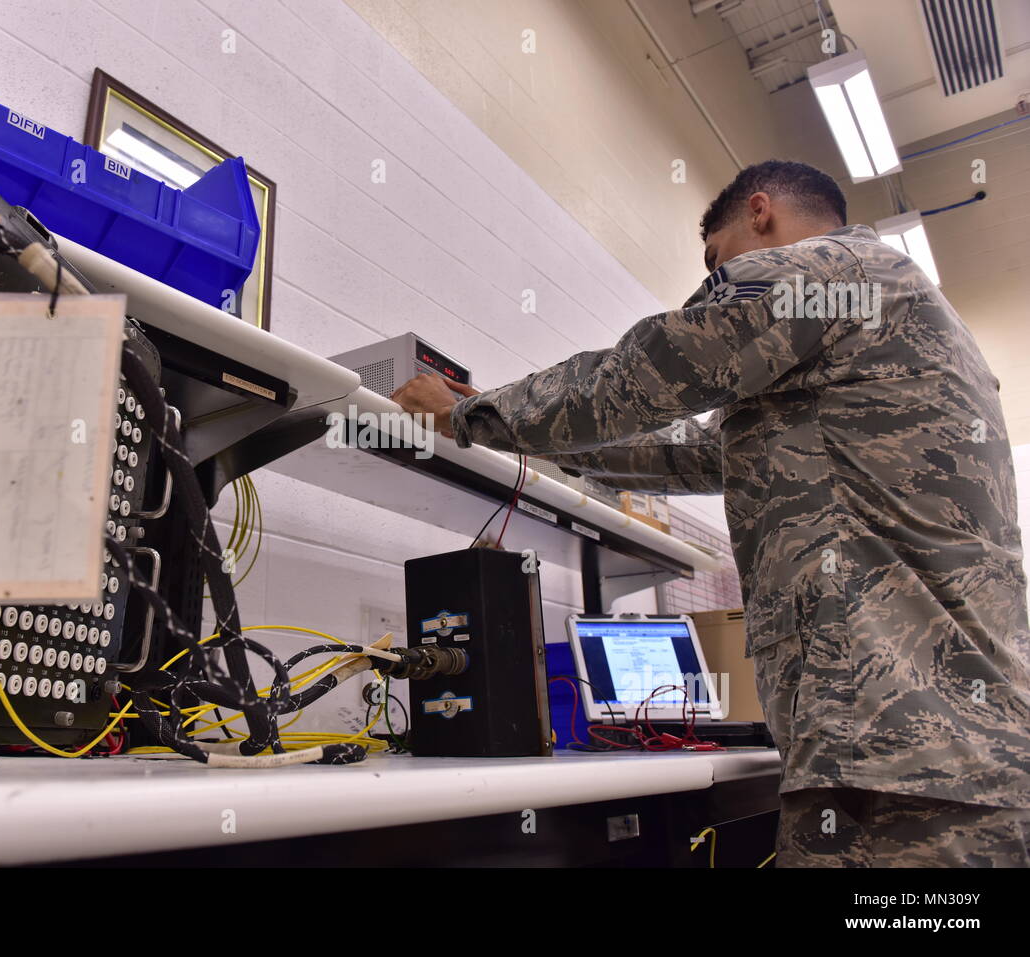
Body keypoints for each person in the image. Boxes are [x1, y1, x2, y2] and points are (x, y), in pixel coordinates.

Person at [392, 160, 1030, 867]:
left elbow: (649, 370)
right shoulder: (901, 328)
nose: (713, 282)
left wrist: (471, 414)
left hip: (894, 766)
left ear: (760, 212)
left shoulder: (829, 272)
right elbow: (691, 453)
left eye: (716, 260)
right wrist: (538, 441)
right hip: (960, 756)